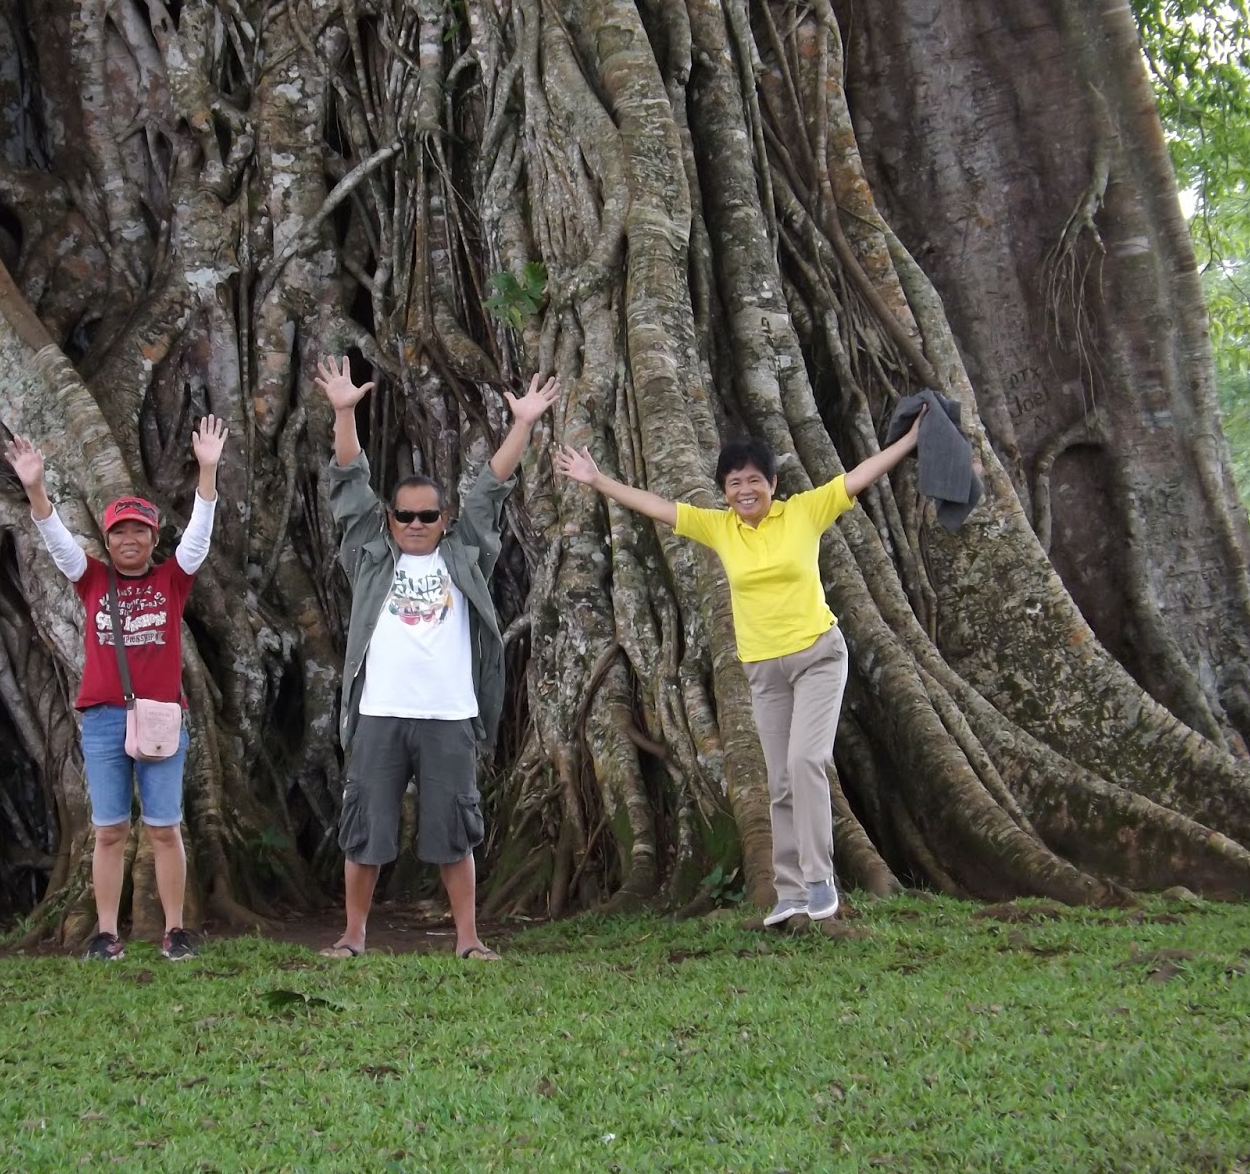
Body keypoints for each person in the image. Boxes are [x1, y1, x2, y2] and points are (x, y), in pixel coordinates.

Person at [554, 411, 923, 925]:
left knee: (807, 762)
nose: (745, 490)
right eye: (734, 483)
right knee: (778, 781)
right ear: (724, 491)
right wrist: (596, 480)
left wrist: (909, 440)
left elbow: (860, 474)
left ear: (773, 483)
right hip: (763, 670)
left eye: (754, 480)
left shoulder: (804, 513)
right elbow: (659, 507)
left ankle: (821, 880)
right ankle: (789, 890)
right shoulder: (720, 527)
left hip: (817, 656)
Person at [314, 355, 558, 959]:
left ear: (442, 520)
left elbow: (490, 490)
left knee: (454, 830)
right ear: (390, 520)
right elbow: (349, 482)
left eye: (428, 515)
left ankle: (469, 940)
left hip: (449, 714)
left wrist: (522, 424)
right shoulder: (370, 555)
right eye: (405, 515)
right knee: (365, 827)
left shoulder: (465, 554)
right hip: (379, 713)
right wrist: (345, 412)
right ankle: (352, 936)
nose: (417, 523)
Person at [4, 416, 228, 960]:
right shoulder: (92, 580)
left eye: (140, 531)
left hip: (159, 717)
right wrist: (34, 488)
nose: (129, 540)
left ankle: (175, 930)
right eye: (119, 532)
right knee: (108, 831)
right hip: (104, 719)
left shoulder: (171, 581)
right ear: (107, 541)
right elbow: (55, 540)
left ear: (153, 538)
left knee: (164, 829)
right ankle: (106, 933)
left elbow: (198, 535)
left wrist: (208, 471)